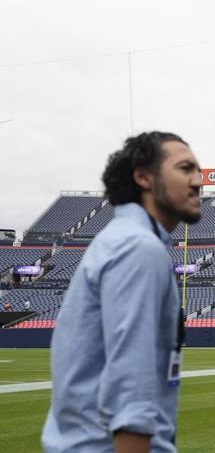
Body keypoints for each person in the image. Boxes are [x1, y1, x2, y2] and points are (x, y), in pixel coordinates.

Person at [42, 132, 202, 453]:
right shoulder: (138, 248)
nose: (198, 180)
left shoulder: (120, 239)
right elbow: (132, 386)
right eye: (185, 168)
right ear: (143, 177)